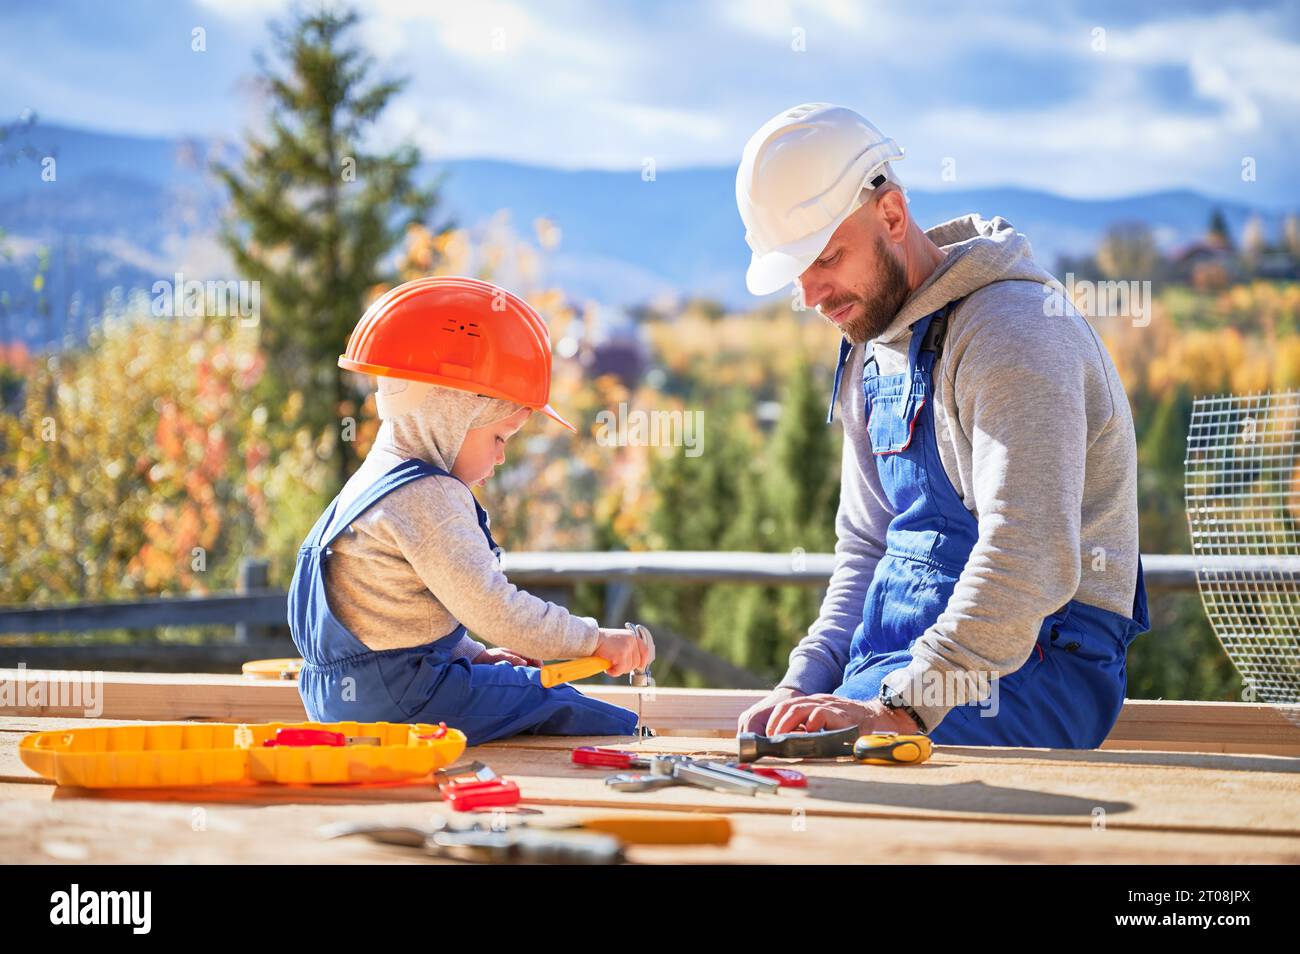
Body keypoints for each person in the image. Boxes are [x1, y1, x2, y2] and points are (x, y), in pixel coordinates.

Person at [734, 103, 1149, 747]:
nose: (811, 294)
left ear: (892, 215)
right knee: (784, 771)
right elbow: (868, 548)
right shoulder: (873, 342)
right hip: (899, 675)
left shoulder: (1013, 330)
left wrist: (902, 711)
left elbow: (1029, 551)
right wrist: (802, 682)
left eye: (826, 258)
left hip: (1032, 668)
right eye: (797, 273)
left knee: (849, 787)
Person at [287, 276, 652, 745]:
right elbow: (494, 607)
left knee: (519, 692)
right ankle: (640, 744)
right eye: (498, 438)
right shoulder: (430, 495)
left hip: (335, 700)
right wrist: (596, 640)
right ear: (450, 416)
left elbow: (396, 614)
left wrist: (473, 656)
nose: (500, 458)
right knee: (554, 702)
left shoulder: (370, 484)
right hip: (408, 700)